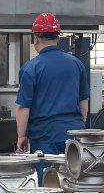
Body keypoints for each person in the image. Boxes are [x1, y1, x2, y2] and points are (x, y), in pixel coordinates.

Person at [15, 12, 89, 181]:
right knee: (74, 181)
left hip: (45, 136)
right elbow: (83, 101)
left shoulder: (31, 68)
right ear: (58, 38)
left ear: (35, 39)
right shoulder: (76, 64)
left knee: (48, 182)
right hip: (74, 133)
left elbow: (23, 107)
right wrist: (79, 127)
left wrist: (21, 136)